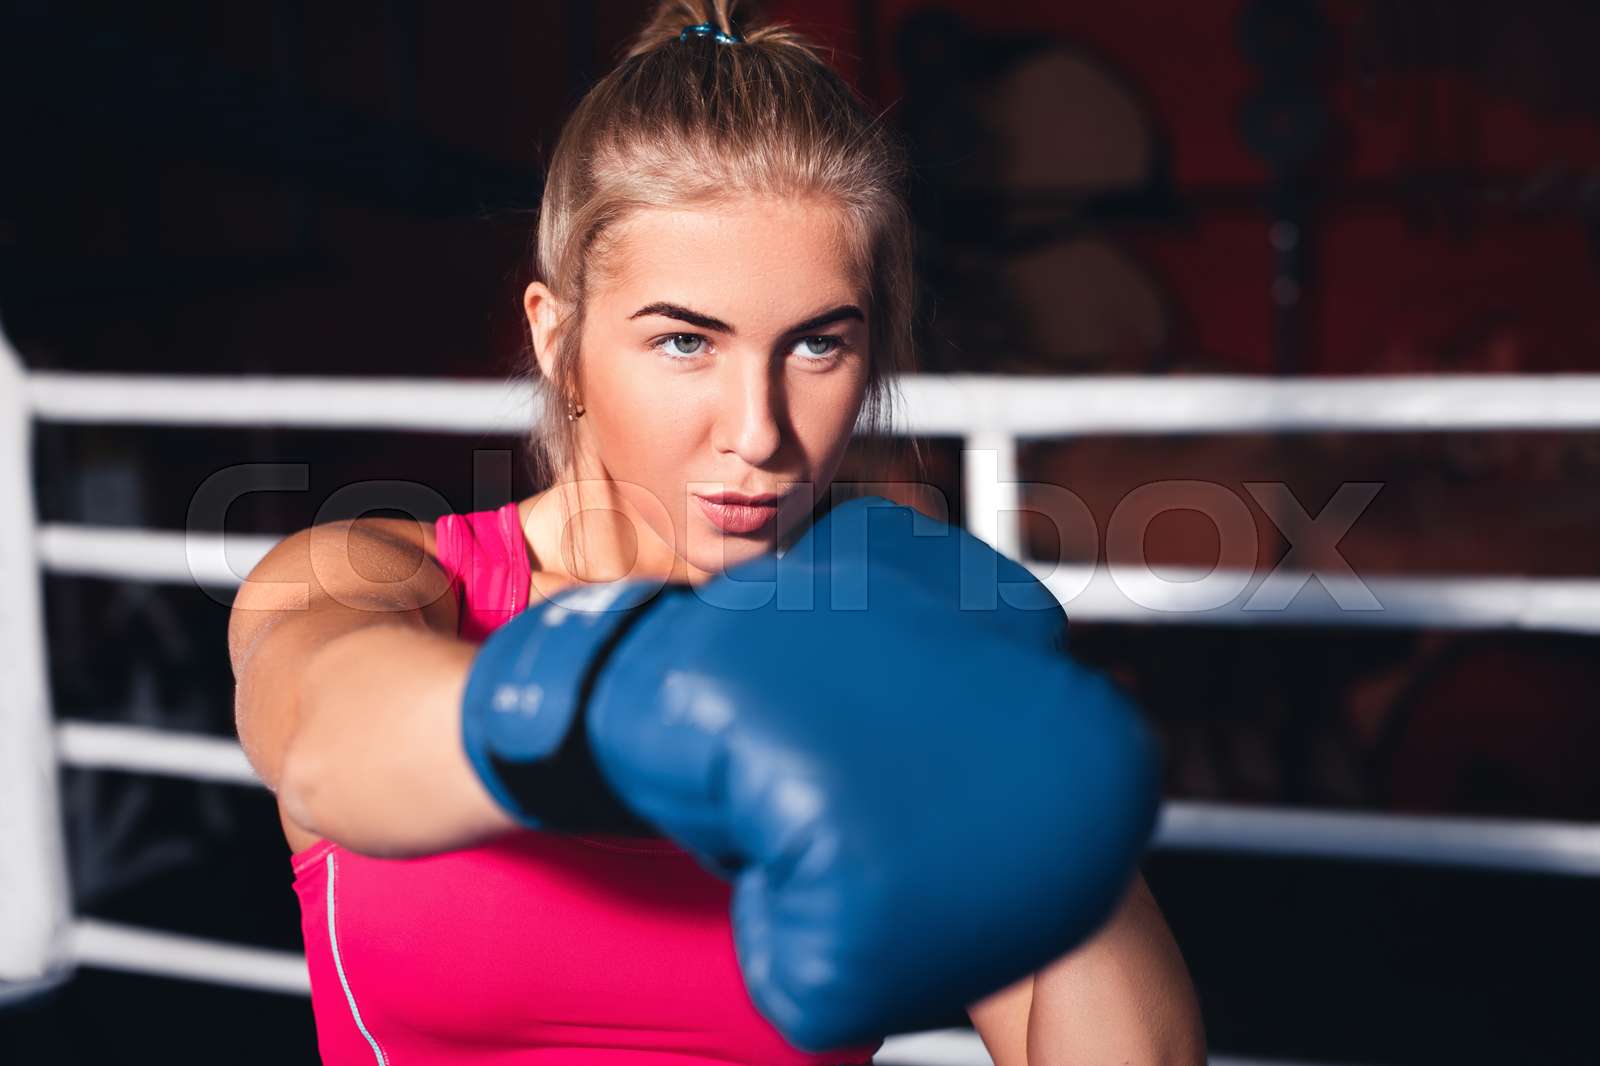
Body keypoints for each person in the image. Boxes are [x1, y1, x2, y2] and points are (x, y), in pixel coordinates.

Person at [228, 1, 1206, 1062]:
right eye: (686, 341)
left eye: (817, 345)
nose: (759, 431)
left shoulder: (880, 638)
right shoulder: (380, 574)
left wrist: (1033, 789)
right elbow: (320, 739)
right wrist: (635, 692)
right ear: (559, 339)